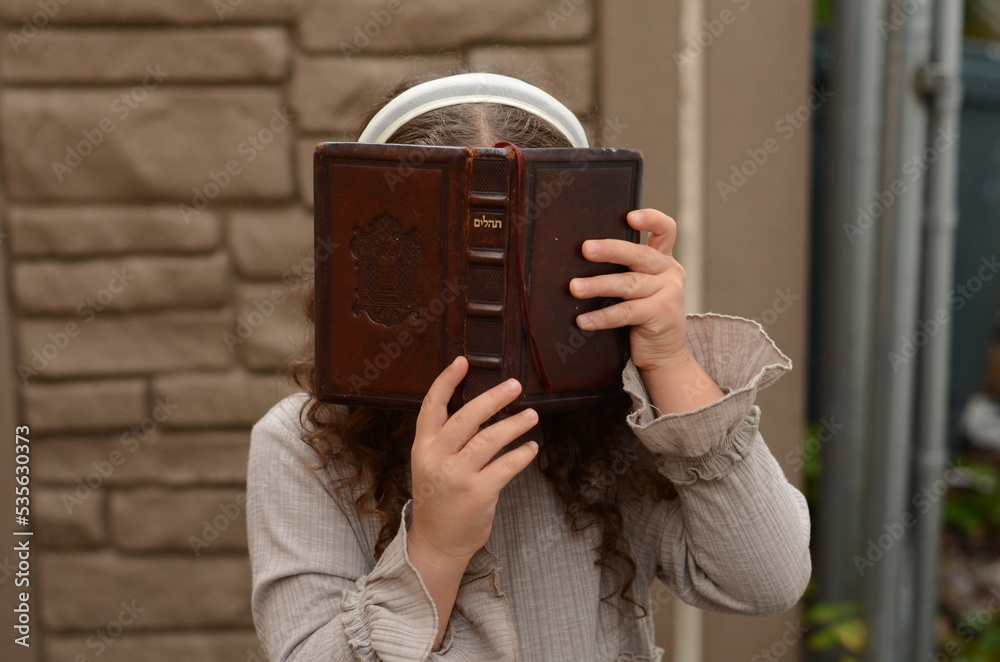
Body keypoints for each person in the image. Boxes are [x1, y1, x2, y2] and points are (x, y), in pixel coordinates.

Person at [247, 69, 811, 662]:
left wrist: (669, 361)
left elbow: (766, 581)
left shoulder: (621, 422)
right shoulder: (302, 448)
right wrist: (436, 548)